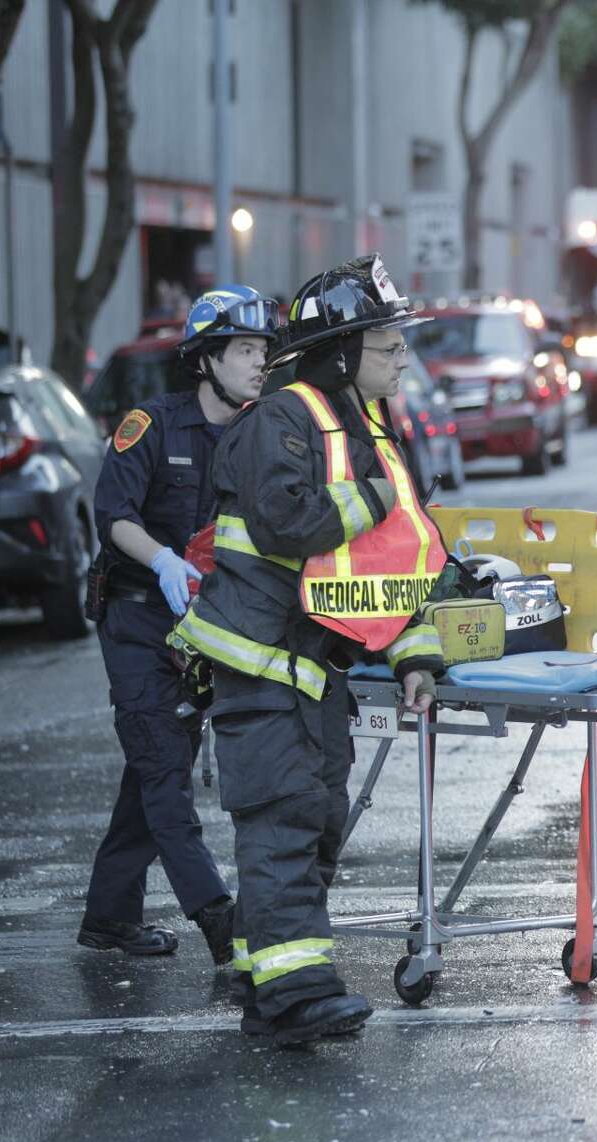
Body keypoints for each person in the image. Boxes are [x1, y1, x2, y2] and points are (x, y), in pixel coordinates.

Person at [171, 255, 447, 1047]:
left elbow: (403, 562)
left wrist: (416, 658)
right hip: (259, 662)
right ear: (339, 351)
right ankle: (302, 991)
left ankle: (268, 982)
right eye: (388, 347)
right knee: (284, 820)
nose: (402, 359)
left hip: (313, 670)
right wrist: (372, 498)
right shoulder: (280, 421)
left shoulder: (371, 428)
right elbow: (290, 521)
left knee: (318, 820)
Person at [80, 286, 277, 964]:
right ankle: (220, 923)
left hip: (206, 627)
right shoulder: (151, 425)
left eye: (263, 351)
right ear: (206, 359)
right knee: (165, 769)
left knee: (153, 767)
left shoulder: (261, 435)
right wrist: (162, 559)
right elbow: (114, 516)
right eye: (246, 349)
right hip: (136, 618)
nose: (259, 363)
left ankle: (109, 919)